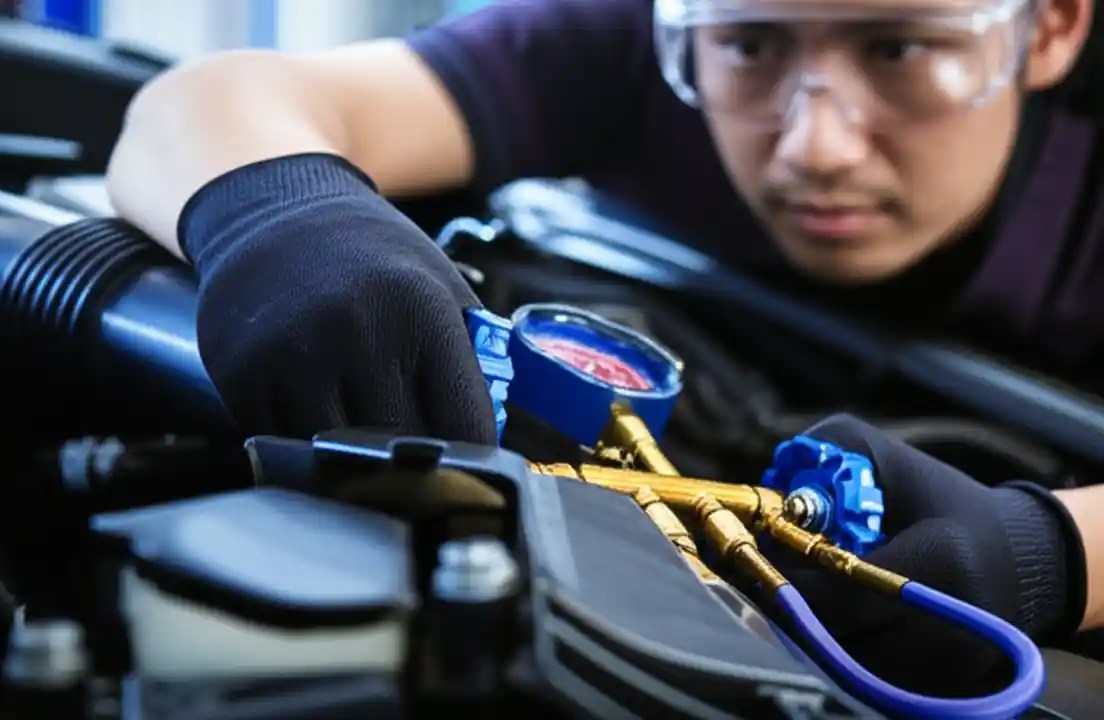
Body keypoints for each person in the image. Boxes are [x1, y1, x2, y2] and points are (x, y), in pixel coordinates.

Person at [105, 0, 1104, 702]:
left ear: (1050, 23)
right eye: (749, 46)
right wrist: (285, 217)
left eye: (896, 49)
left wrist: (1055, 552)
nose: (816, 147)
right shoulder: (626, 42)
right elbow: (203, 99)